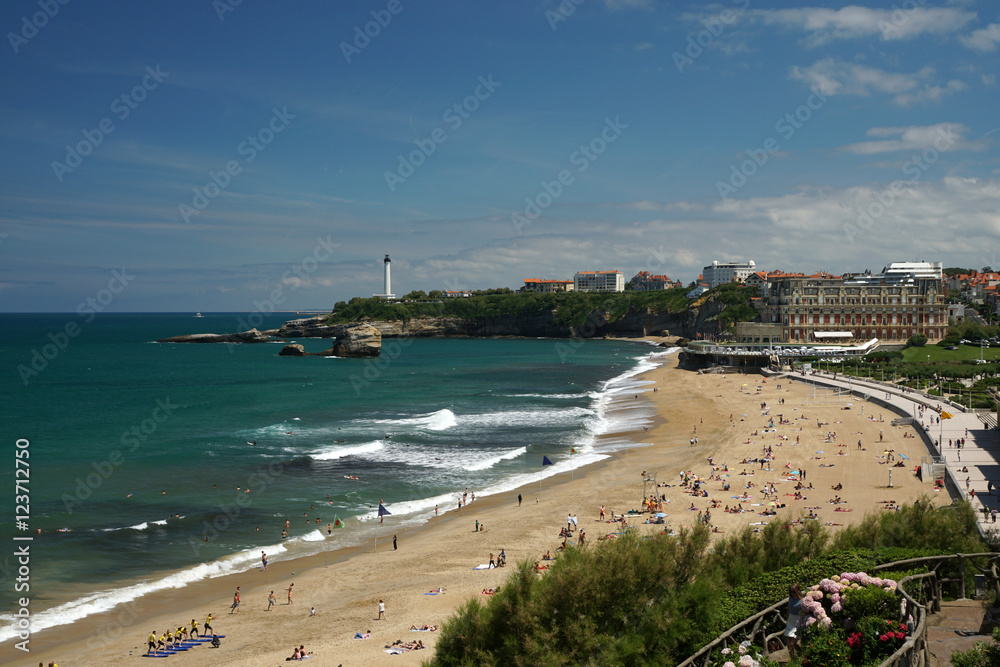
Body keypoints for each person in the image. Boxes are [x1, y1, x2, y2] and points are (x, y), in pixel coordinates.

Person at [785, 584, 804, 656]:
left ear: (798, 591)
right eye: (791, 592)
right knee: (788, 640)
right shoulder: (791, 599)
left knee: (794, 642)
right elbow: (789, 609)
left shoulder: (802, 600)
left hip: (797, 620)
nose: (792, 593)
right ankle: (792, 657)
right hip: (790, 620)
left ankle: (801, 653)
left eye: (794, 592)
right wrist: (787, 620)